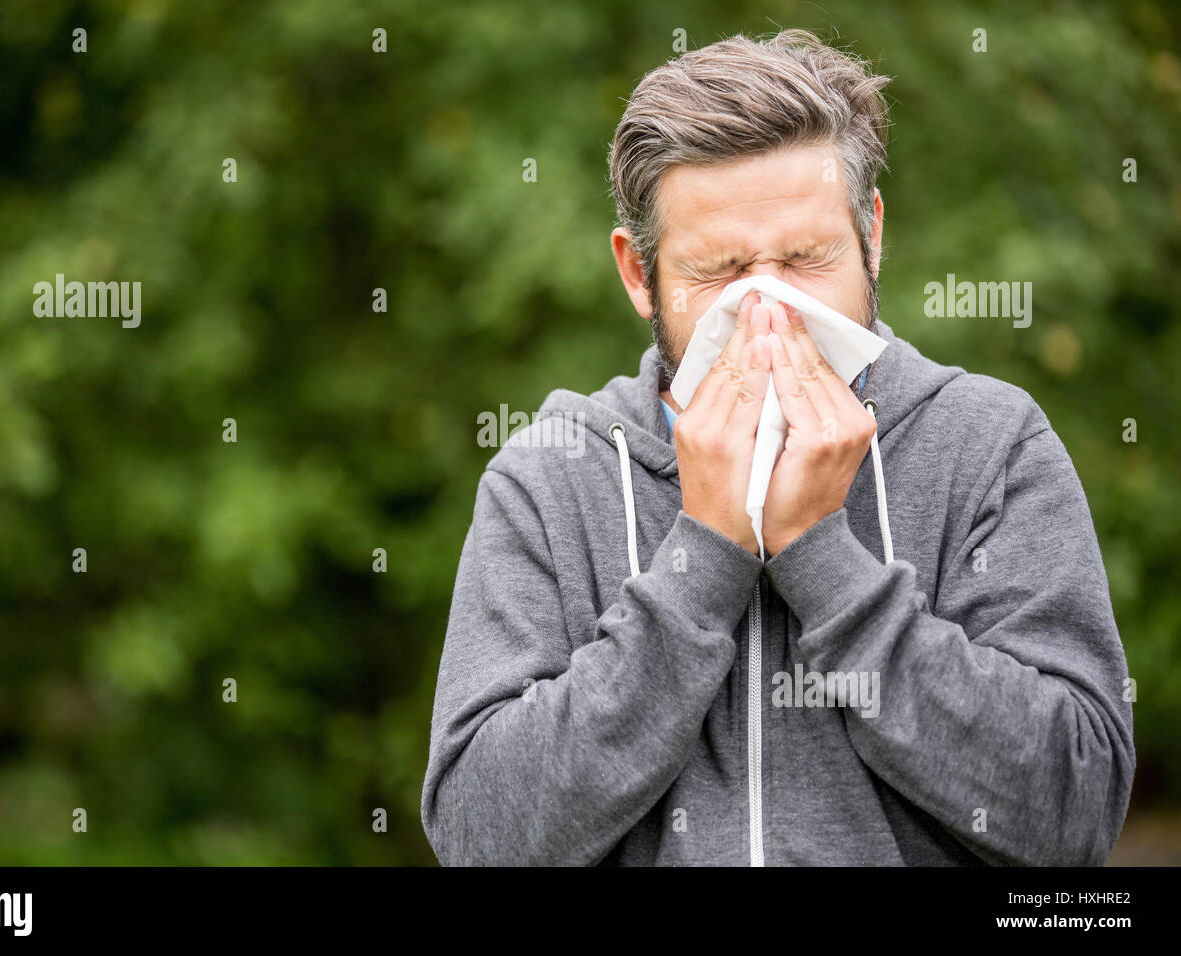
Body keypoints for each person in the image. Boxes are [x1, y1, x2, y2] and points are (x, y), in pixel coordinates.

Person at [420, 29, 1134, 865]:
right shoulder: (550, 475)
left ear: (871, 234)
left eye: (805, 258)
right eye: (720, 271)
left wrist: (824, 560)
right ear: (638, 274)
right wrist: (706, 554)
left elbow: (1074, 813)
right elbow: (479, 835)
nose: (769, 311)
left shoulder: (989, 445)